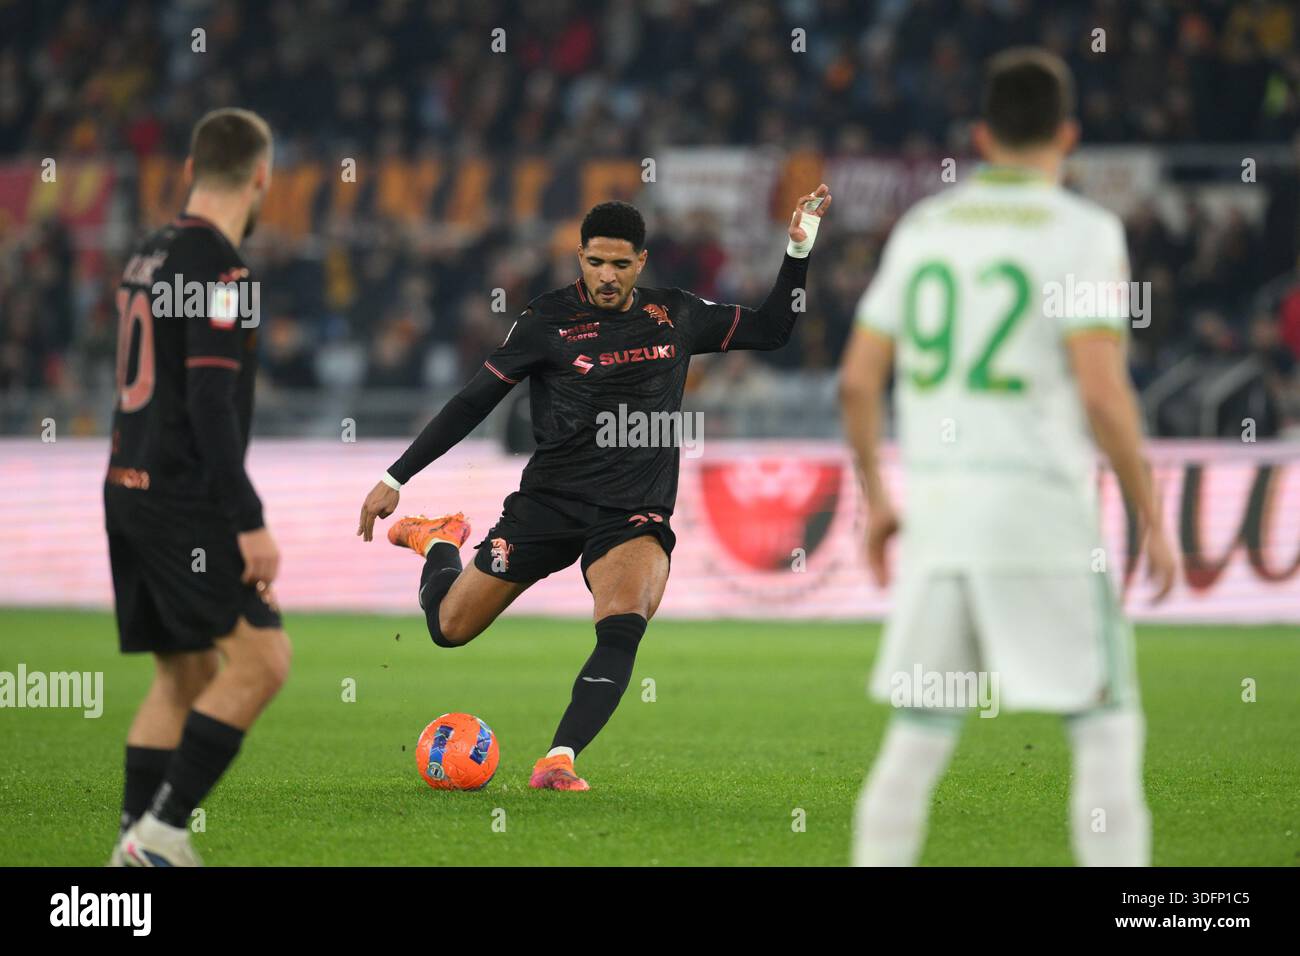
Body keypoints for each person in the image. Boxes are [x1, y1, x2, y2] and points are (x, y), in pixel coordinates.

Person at [358, 188, 831, 790]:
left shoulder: (676, 313)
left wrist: (798, 247)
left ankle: (560, 757)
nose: (607, 276)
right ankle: (439, 542)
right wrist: (395, 477)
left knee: (623, 618)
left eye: (620, 264)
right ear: (579, 257)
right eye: (594, 262)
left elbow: (772, 330)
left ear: (642, 261)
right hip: (549, 503)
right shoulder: (546, 320)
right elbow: (473, 400)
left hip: (633, 510)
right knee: (448, 629)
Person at [838, 49, 1177, 866]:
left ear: (981, 136)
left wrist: (880, 498)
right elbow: (1102, 394)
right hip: (1043, 520)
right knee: (1104, 730)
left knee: (917, 740)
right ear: (1068, 134)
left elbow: (856, 381)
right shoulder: (1084, 232)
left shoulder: (925, 228)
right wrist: (1150, 514)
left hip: (943, 521)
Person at [105, 108, 290, 866]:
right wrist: (248, 520)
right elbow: (211, 402)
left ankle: (130, 844)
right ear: (261, 177)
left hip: (125, 483)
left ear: (188, 169)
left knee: (184, 673)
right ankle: (160, 836)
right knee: (262, 663)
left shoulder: (145, 254)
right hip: (183, 496)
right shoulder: (225, 274)